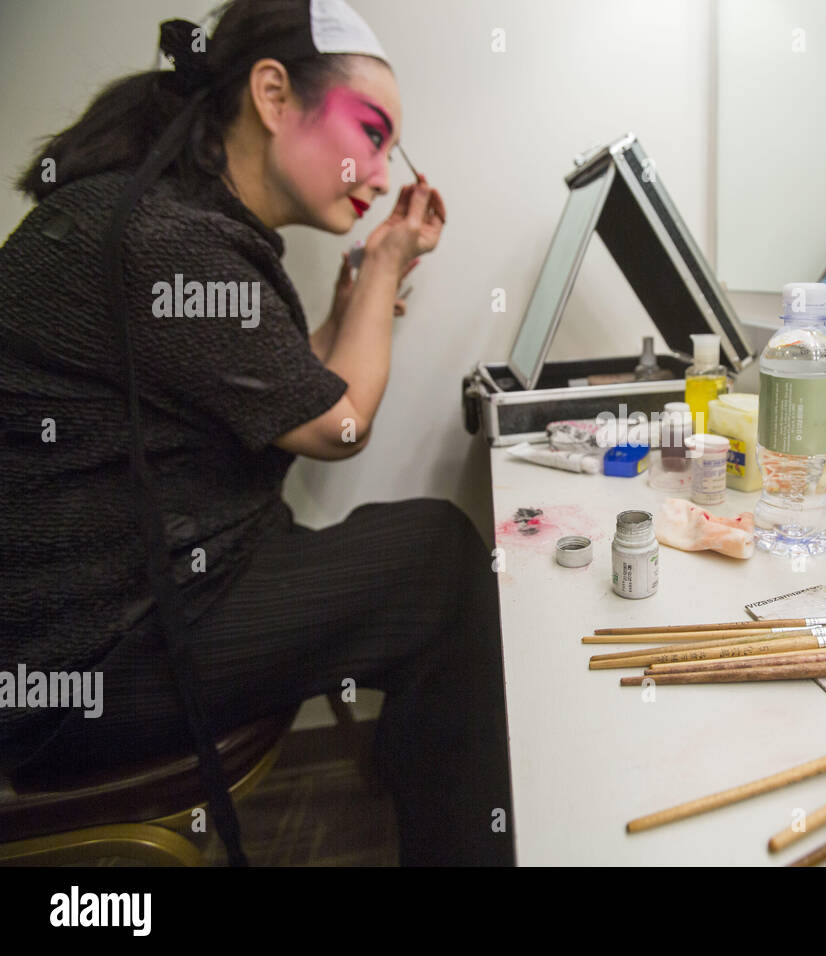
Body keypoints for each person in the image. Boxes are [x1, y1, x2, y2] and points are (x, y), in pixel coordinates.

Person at [0, 0, 514, 866]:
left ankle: (425, 780)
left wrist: (359, 300)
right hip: (86, 667)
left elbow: (270, 392)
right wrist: (385, 265)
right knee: (439, 564)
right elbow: (337, 423)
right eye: (372, 133)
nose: (385, 173)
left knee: (428, 558)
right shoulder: (165, 241)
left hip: (116, 623)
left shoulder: (162, 216)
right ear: (273, 95)